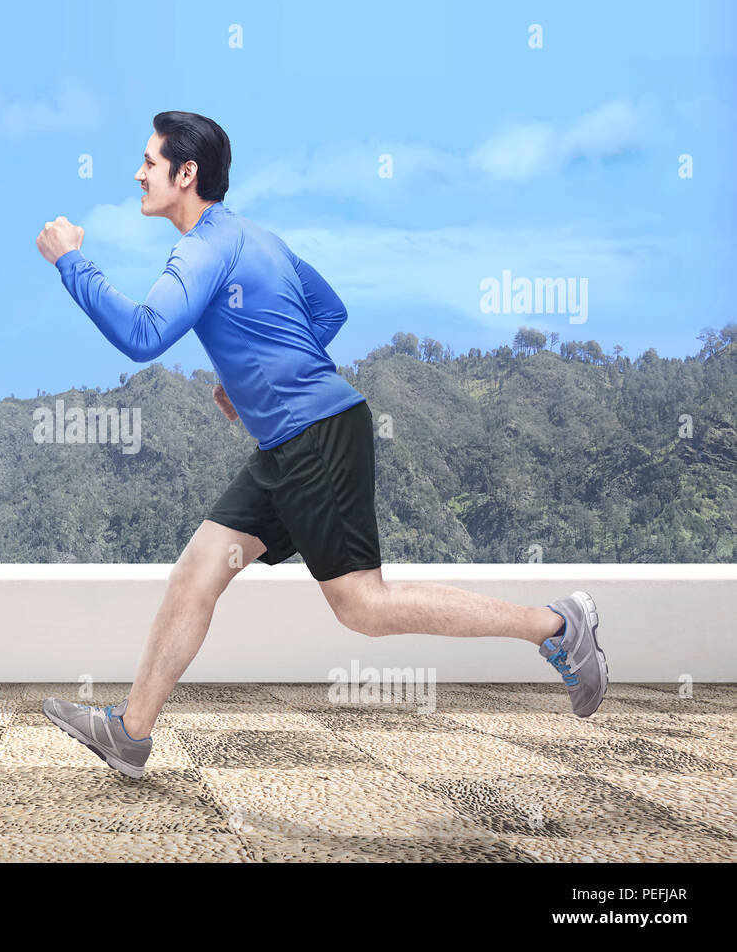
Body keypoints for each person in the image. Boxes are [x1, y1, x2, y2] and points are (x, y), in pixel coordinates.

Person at [34, 110, 608, 779]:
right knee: (197, 572)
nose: (138, 173)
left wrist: (70, 261)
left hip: (317, 437)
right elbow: (328, 312)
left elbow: (143, 333)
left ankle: (557, 625)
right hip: (289, 442)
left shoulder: (202, 249)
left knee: (364, 606)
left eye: (149, 161)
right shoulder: (258, 239)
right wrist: (248, 381)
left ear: (186, 174)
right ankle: (131, 734)